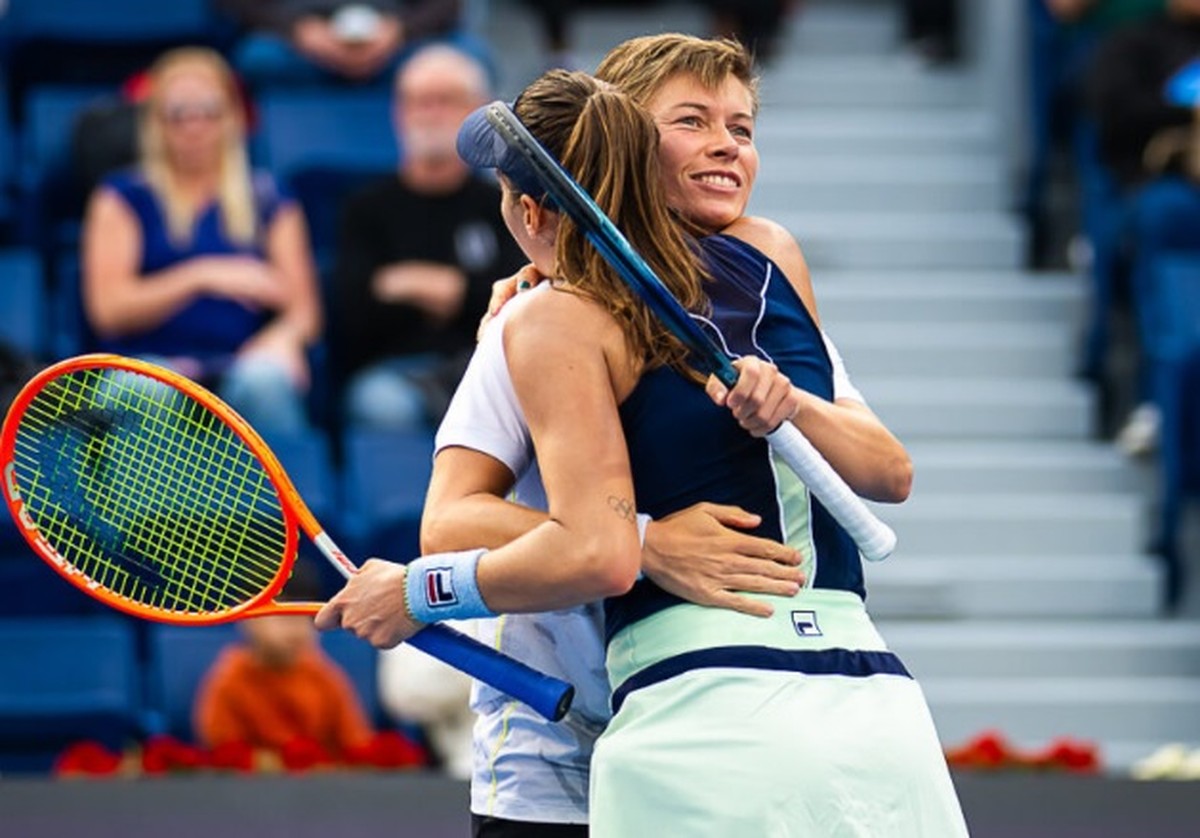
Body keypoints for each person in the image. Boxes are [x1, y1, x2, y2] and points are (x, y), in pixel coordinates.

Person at [316, 66, 966, 835]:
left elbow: (887, 470)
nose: (724, 146)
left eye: (742, 127)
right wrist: (650, 540)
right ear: (631, 153)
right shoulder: (546, 312)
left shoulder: (754, 285)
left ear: (528, 208)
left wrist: (420, 592)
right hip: (591, 742)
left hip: (688, 709)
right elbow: (455, 522)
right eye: (691, 122)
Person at [81, 47, 322, 437]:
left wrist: (281, 340)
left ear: (233, 117)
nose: (194, 125)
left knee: (267, 379)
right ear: (155, 122)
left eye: (208, 111)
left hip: (239, 364)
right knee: (142, 388)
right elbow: (109, 310)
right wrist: (202, 276)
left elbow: (304, 313)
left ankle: (282, 497)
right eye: (178, 113)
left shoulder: (268, 197)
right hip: (148, 366)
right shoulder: (121, 196)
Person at [331, 44, 527, 432]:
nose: (429, 114)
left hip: (487, 368)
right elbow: (351, 315)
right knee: (381, 406)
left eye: (446, 101)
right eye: (418, 102)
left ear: (480, 111)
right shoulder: (366, 208)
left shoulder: (506, 204)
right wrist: (467, 293)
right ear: (398, 113)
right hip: (394, 371)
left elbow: (520, 304)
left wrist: (410, 284)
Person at [194, 570, 375, 759]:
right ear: (246, 614)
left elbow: (357, 746)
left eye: (307, 616)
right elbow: (224, 756)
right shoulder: (228, 682)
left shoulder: (325, 676)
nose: (298, 628)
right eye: (284, 615)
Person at [218, 0, 490, 89]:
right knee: (257, 59)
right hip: (299, 47)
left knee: (470, 60)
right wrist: (297, 31)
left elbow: (450, 5)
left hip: (395, 43)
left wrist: (398, 31)